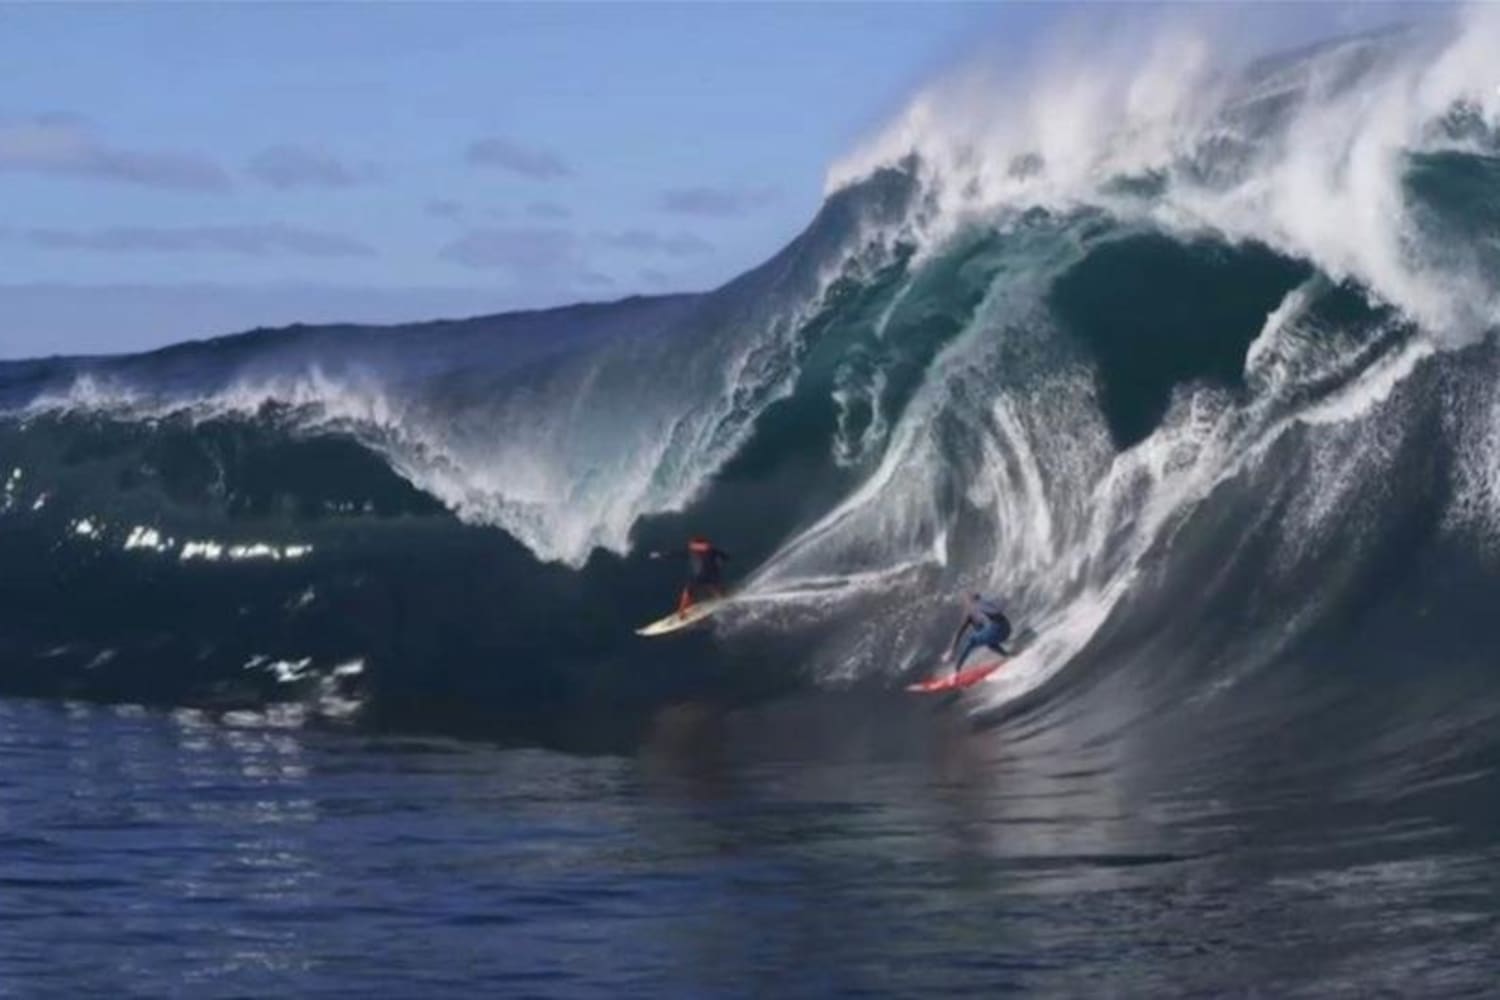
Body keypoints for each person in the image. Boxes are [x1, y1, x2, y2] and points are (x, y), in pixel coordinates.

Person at [650, 536, 731, 614]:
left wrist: (659, 555)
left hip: (698, 577)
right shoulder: (713, 550)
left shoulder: (690, 551)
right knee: (713, 587)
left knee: (687, 592)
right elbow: (725, 557)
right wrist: (722, 561)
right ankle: (724, 600)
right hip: (712, 575)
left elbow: (674, 554)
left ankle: (681, 612)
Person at [949, 592, 1012, 676]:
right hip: (1006, 629)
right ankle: (1007, 655)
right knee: (988, 642)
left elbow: (959, 633)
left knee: (972, 641)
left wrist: (952, 650)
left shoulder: (973, 610)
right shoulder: (985, 603)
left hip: (998, 631)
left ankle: (957, 671)